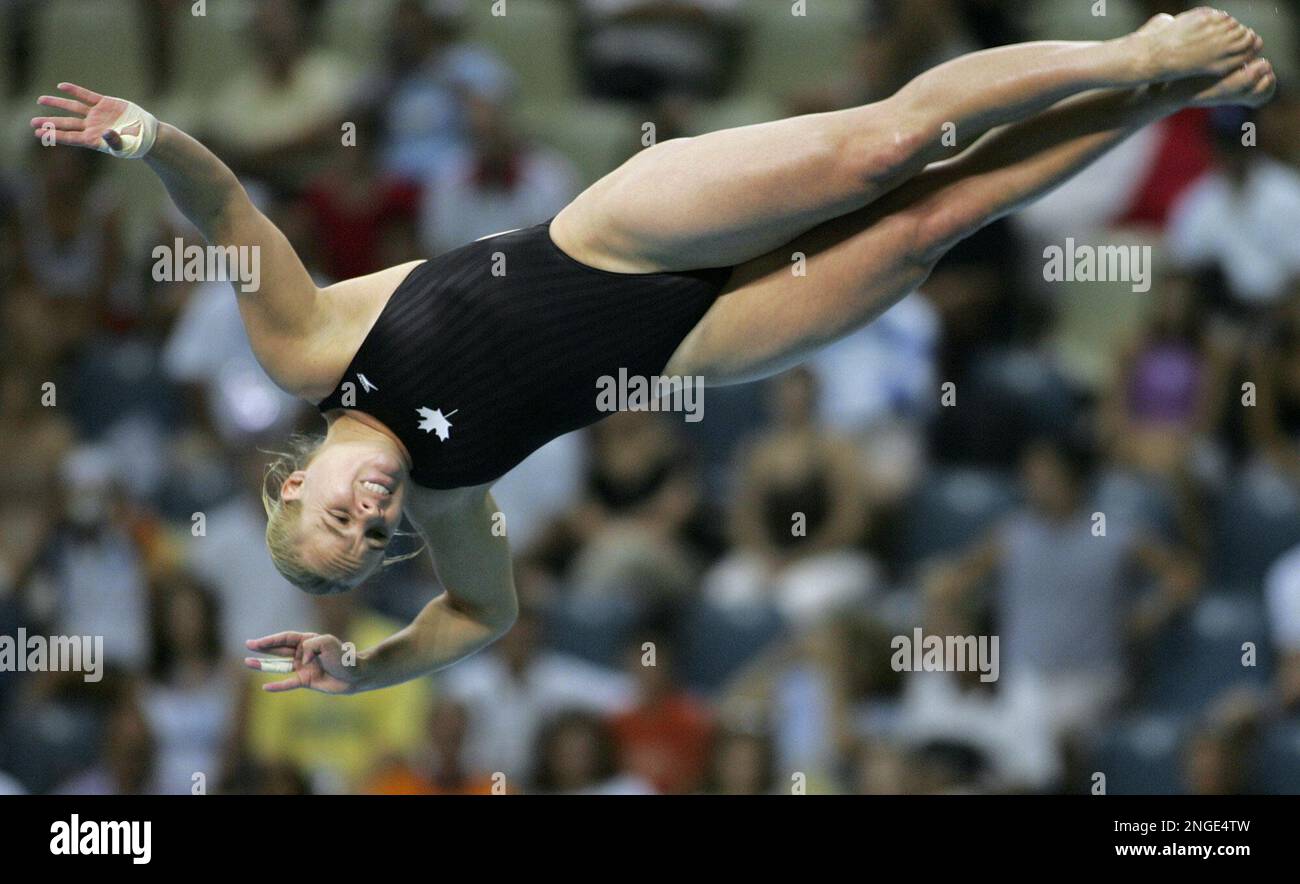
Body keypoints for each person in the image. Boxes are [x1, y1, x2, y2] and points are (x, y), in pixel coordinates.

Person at [29, 10, 1274, 694]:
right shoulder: (451, 500)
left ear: (291, 479)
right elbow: (481, 613)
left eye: (332, 519)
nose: (367, 518)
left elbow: (232, 214)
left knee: (879, 155)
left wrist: (149, 136)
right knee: (933, 225)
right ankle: (1160, 103)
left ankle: (1134, 51)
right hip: (696, 344)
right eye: (366, 543)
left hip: (611, 238)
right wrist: (365, 670)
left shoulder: (309, 352)